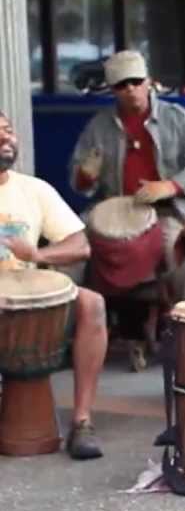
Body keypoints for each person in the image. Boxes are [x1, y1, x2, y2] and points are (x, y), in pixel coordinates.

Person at [69, 50, 185, 369]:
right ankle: (79, 339)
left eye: (137, 82)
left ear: (149, 82)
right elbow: (79, 182)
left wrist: (170, 186)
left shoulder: (176, 117)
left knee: (176, 253)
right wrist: (85, 176)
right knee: (74, 250)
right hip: (116, 209)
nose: (131, 89)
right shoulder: (99, 127)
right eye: (122, 85)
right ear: (112, 90)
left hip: (168, 210)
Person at [0, 111, 107, 460]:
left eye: (8, 130)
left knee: (92, 303)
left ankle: (82, 422)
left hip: (30, 297)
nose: (6, 138)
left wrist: (38, 253)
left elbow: (81, 246)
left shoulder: (33, 189)